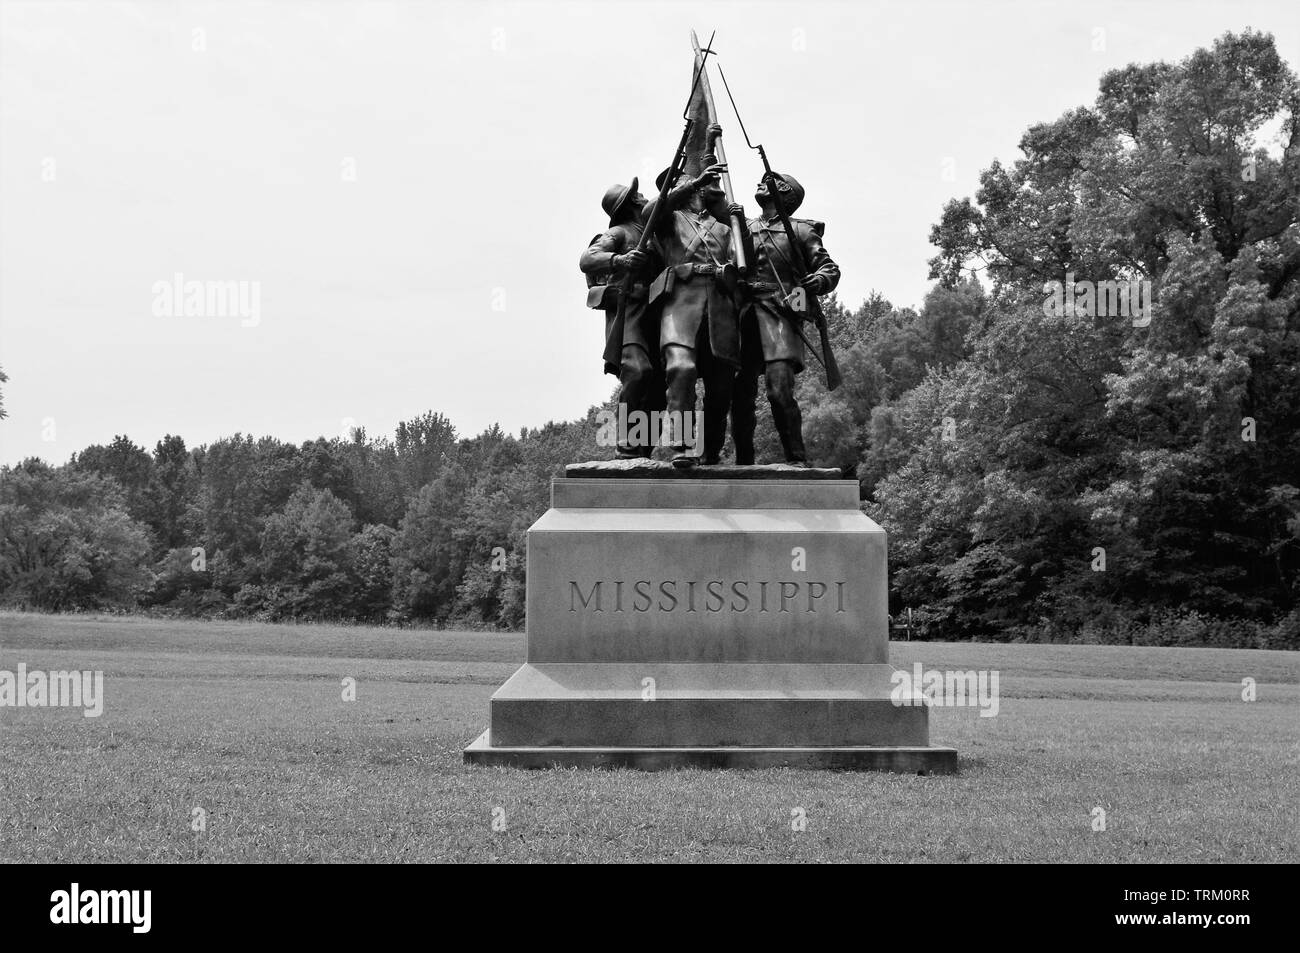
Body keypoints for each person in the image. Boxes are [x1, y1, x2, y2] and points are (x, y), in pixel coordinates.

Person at [728, 171, 840, 466]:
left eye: (769, 181)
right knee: (739, 395)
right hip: (746, 316)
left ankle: (796, 458)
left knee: (779, 391)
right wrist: (736, 227)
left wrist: (817, 281)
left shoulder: (801, 231)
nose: (759, 183)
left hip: (780, 315)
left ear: (784, 191)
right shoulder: (745, 226)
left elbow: (829, 268)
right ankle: (743, 463)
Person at [643, 125, 738, 468]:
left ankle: (711, 452)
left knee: (720, 388)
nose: (692, 189)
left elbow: (743, 266)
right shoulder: (667, 220)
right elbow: (649, 214)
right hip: (679, 305)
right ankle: (682, 447)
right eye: (682, 184)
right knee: (681, 369)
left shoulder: (725, 229)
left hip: (719, 307)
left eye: (692, 184)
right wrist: (695, 181)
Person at [579, 179, 662, 457]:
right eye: (636, 195)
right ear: (631, 204)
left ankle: (643, 453)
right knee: (638, 372)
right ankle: (625, 444)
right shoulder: (619, 232)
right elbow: (588, 259)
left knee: (659, 388)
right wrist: (620, 261)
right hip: (630, 316)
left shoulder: (657, 230)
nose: (642, 196)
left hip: (659, 314)